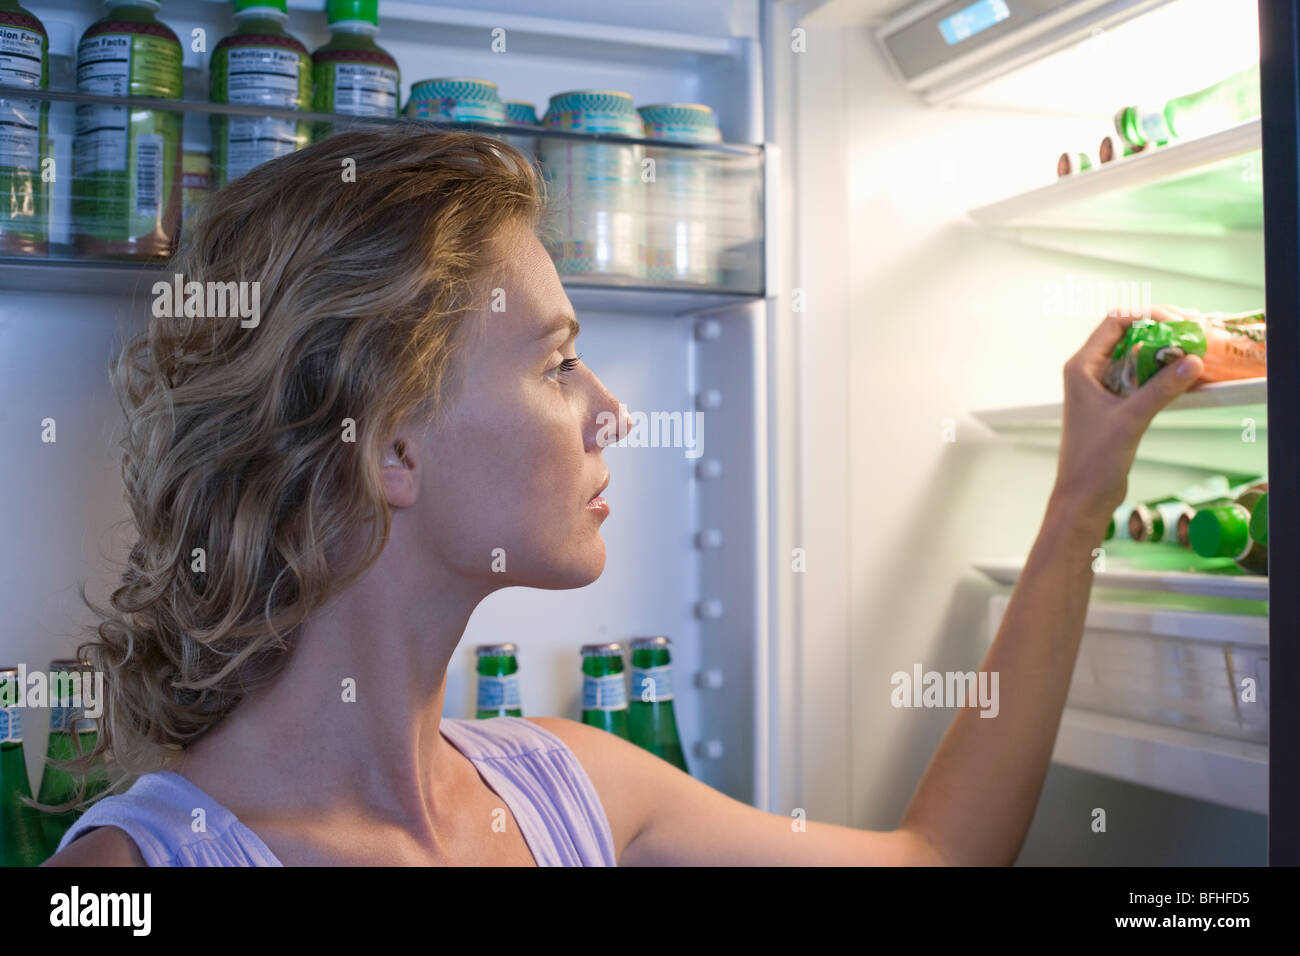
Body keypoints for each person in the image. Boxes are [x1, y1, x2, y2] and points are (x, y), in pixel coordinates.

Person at [41, 126, 1202, 866]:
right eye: (556, 362)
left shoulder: (563, 785)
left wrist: (1077, 505)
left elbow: (938, 856)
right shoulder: (128, 879)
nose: (611, 409)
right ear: (391, 448)